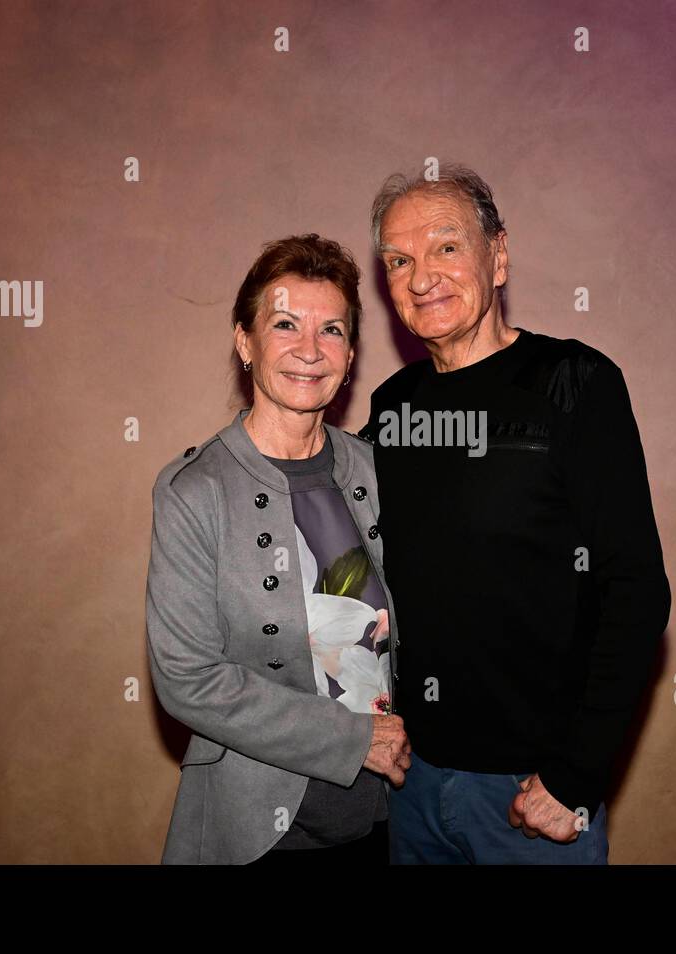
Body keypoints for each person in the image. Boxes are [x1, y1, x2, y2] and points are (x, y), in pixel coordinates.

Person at [361, 164, 671, 864]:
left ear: (498, 256)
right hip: (411, 784)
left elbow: (636, 590)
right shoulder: (390, 407)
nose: (422, 277)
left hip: (529, 794)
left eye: (446, 247)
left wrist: (575, 776)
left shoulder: (575, 383)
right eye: (399, 261)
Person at [146, 233, 410, 865]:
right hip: (263, 832)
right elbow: (187, 678)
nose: (309, 350)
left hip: (389, 818)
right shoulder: (195, 489)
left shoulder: (379, 471)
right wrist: (354, 739)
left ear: (350, 354)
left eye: (332, 330)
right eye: (285, 324)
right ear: (245, 342)